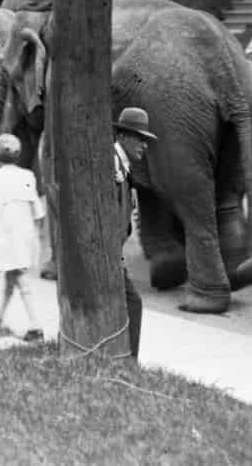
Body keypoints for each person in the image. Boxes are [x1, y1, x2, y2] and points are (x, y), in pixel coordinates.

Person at [0, 132, 46, 341]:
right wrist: (37, 228)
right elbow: (37, 207)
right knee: (11, 277)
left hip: (7, 235)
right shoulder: (27, 176)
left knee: (19, 277)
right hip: (25, 232)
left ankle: (36, 325)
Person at [112, 106, 153, 360]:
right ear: (124, 136)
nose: (144, 145)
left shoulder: (122, 165)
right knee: (133, 303)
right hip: (108, 254)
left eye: (146, 140)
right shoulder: (112, 162)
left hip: (113, 253)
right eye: (140, 138)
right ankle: (129, 362)